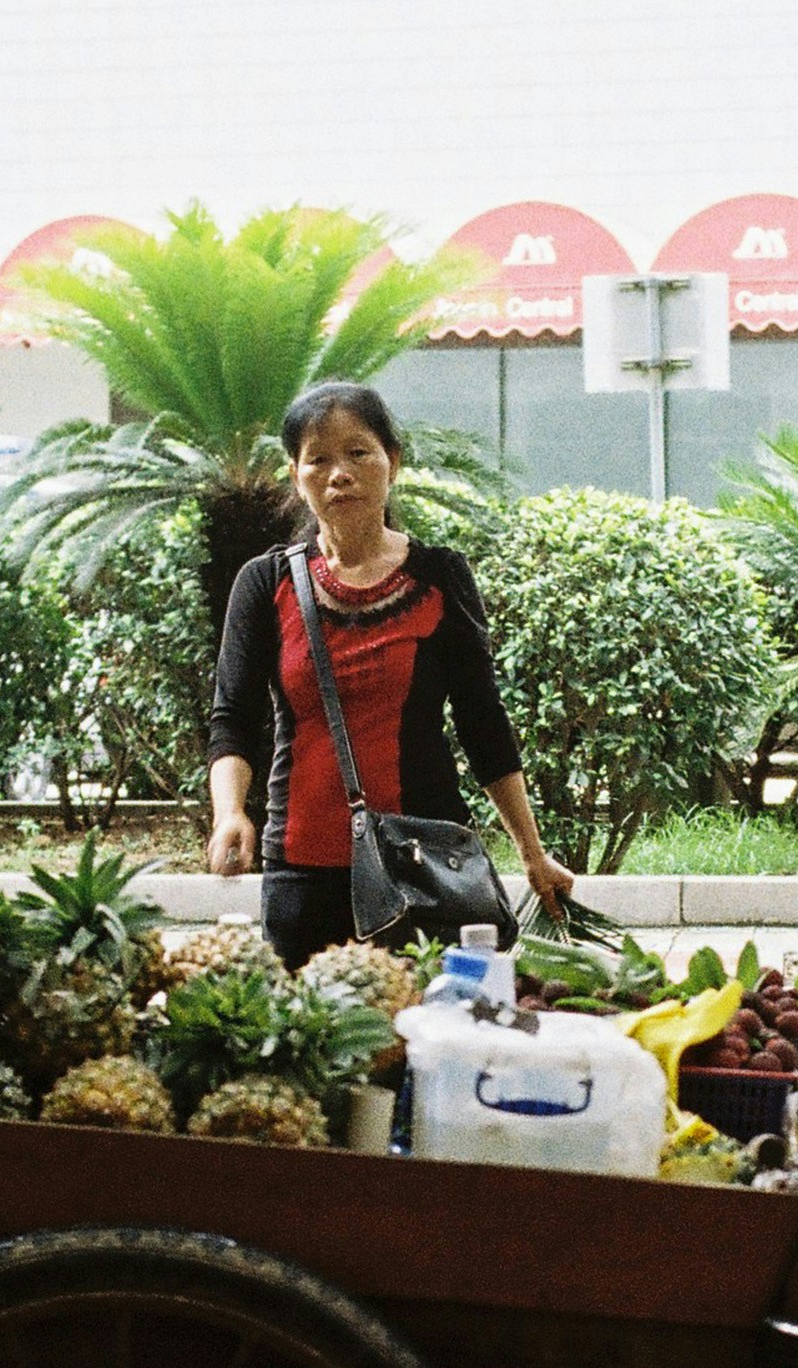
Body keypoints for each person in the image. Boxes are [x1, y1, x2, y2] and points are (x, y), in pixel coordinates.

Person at [205, 382, 575, 970]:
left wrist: (533, 854)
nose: (339, 474)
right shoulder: (264, 583)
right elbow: (233, 718)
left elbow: (483, 724)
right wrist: (230, 813)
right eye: (318, 459)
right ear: (295, 475)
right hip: (301, 869)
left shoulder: (439, 578)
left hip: (425, 872)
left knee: (428, 1042)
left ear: (393, 462)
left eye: (358, 453)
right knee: (315, 1046)